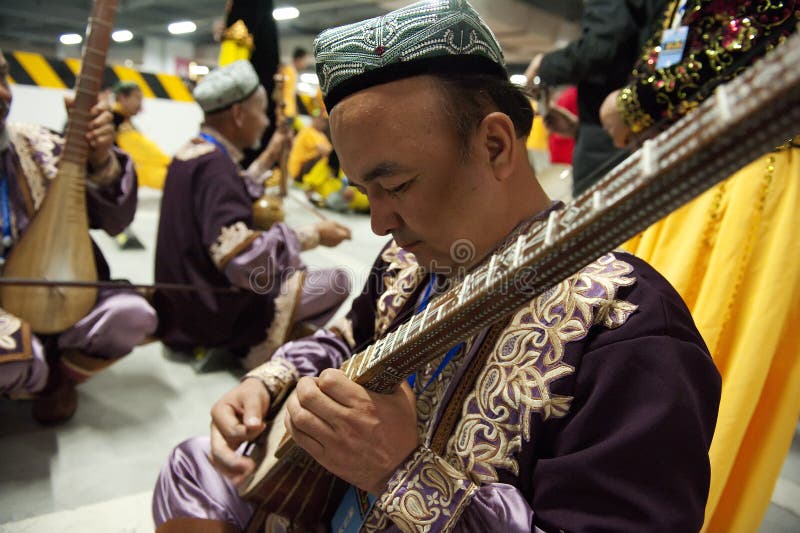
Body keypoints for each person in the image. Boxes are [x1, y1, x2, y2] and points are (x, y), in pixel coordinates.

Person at [151, 2, 720, 531]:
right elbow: (351, 340)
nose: (378, 222)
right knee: (194, 466)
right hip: (327, 502)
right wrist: (269, 381)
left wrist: (403, 473)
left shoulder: (626, 326)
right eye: (365, 191)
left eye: (395, 184)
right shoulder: (412, 254)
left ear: (496, 145)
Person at [598, 2, 800, 530]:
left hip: (744, 170)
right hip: (691, 164)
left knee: (690, 361)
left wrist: (634, 102)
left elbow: (763, 36)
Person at [153, 60, 353, 371]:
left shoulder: (192, 154)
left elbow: (232, 191)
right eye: (259, 112)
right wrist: (313, 234)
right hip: (209, 311)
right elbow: (242, 258)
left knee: (291, 268)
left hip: (181, 307)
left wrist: (270, 155)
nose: (263, 123)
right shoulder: (215, 169)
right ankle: (246, 347)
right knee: (337, 281)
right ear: (237, 115)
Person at [0, 50, 157, 423]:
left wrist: (101, 159)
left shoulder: (37, 145)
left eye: (4, 78)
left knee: (131, 314)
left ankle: (57, 379)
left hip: (58, 298)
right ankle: (30, 371)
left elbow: (115, 220)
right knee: (13, 354)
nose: (3, 93)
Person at [525, 0, 670, 196]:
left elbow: (602, 47)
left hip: (613, 150)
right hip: (635, 135)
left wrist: (545, 65)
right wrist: (577, 129)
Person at [110, 80, 171, 190]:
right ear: (122, 97)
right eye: (137, 98)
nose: (140, 104)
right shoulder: (112, 121)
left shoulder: (126, 122)